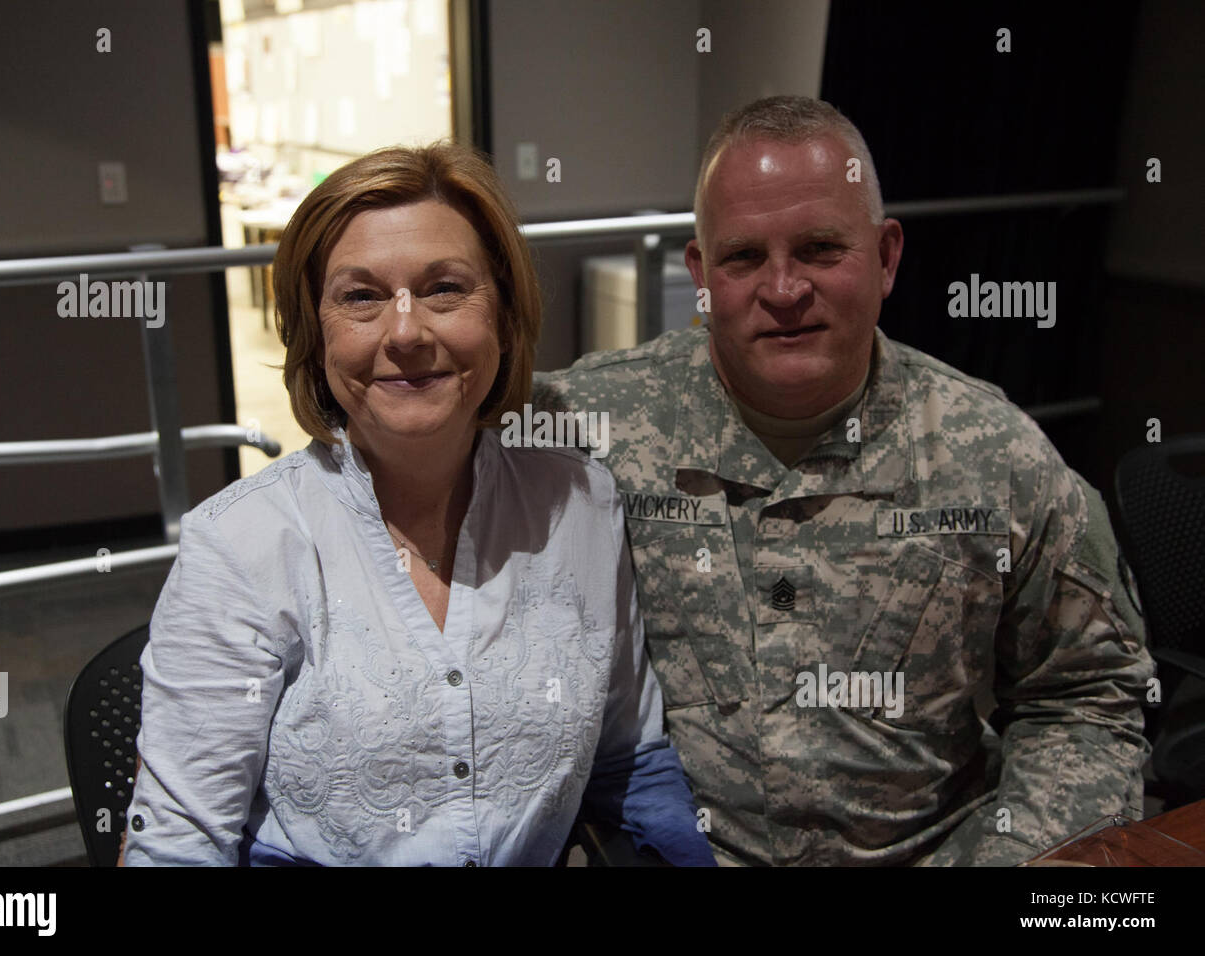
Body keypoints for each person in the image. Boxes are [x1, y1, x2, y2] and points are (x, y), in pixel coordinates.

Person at [533, 96, 1153, 866]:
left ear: (887, 257)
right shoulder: (580, 428)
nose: (785, 289)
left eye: (822, 249)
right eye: (744, 257)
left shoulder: (995, 456)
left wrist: (1007, 858)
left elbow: (1089, 695)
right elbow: (423, 441)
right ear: (701, 274)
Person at [122, 142, 714, 866]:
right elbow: (178, 842)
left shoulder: (581, 507)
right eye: (361, 296)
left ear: (502, 313)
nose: (405, 332)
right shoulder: (242, 545)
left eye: (443, 289)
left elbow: (632, 762)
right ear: (316, 331)